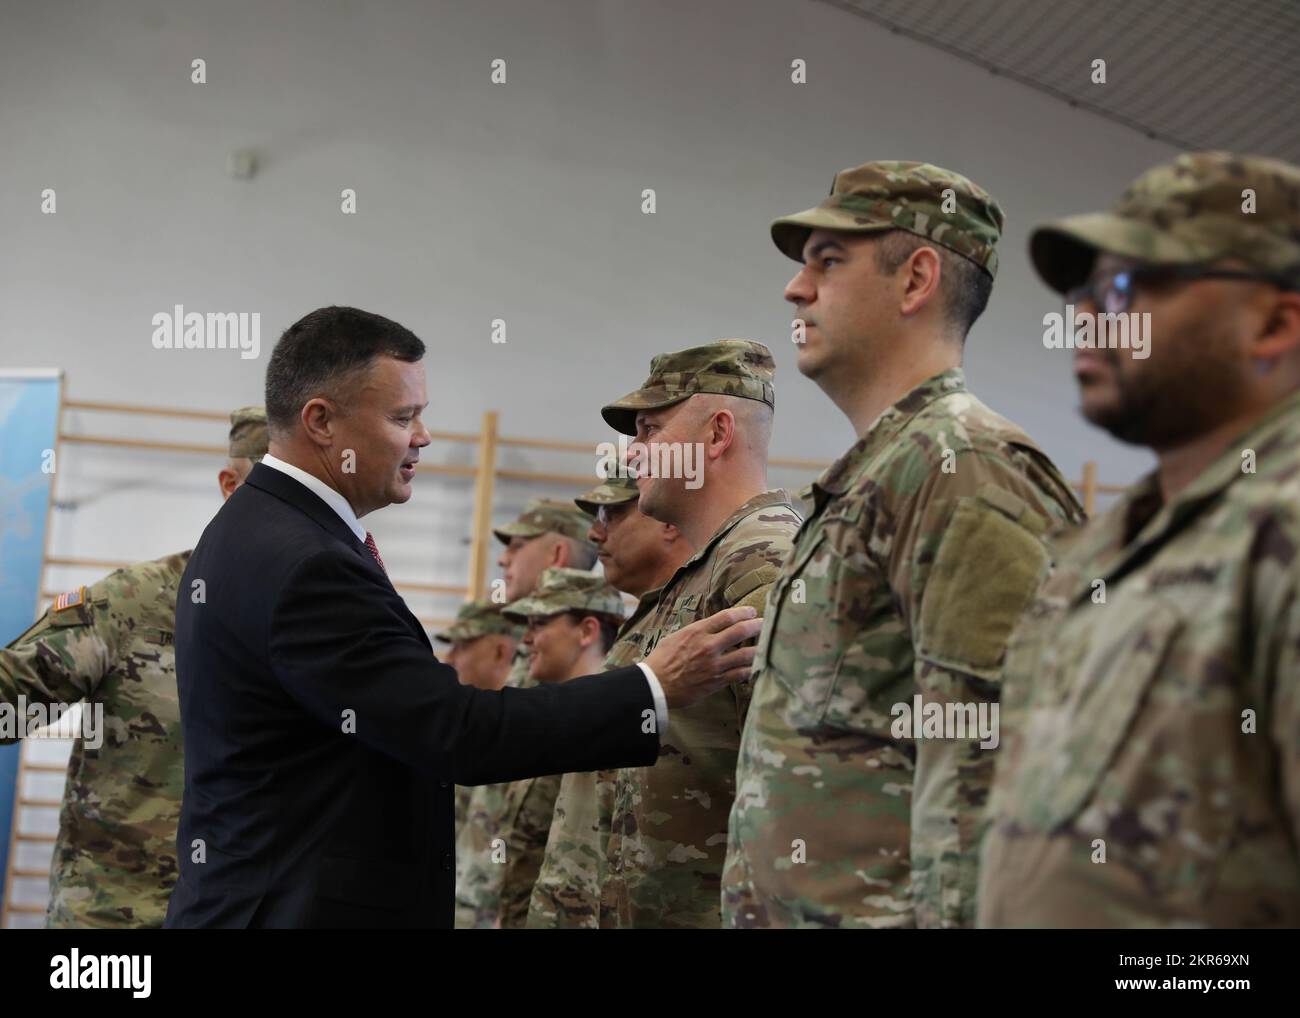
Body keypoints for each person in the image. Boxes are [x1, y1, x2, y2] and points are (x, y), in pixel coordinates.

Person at [164, 306, 763, 928]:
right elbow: (455, 733)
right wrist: (652, 687)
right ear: (321, 421)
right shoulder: (302, 561)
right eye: (403, 417)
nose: (422, 437)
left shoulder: (266, 532)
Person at [722, 161, 1084, 929]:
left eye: (829, 261)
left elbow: (997, 773)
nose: (796, 288)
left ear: (916, 278)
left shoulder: (964, 470)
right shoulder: (880, 472)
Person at [978, 151, 1300, 928]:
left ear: (1275, 323)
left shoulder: (1282, 530)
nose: (1085, 317)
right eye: (1086, 292)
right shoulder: (1108, 545)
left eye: (1129, 289)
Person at [0, 406, 268, 927]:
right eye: (274, 492)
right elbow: (11, 695)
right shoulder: (136, 602)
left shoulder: (332, 622)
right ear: (232, 487)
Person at [598, 340, 803, 928]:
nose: (633, 455)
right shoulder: (707, 566)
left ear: (717, 435)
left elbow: (794, 793)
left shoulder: (762, 560)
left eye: (649, 431)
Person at [527, 472, 693, 929]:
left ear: (668, 521)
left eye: (613, 514)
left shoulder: (694, 631)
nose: (595, 532)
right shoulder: (642, 630)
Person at [454, 498, 597, 925]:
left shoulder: (578, 653)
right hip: (488, 896)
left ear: (556, 554)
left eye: (517, 545)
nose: (503, 557)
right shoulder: (532, 652)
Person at [458, 568, 626, 928]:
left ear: (587, 631)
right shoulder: (552, 722)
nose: (527, 640)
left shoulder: (611, 730)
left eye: (540, 624)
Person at [432, 601, 522, 833]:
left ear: (501, 651)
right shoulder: (473, 724)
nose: (449, 658)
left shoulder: (520, 729)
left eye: (461, 646)